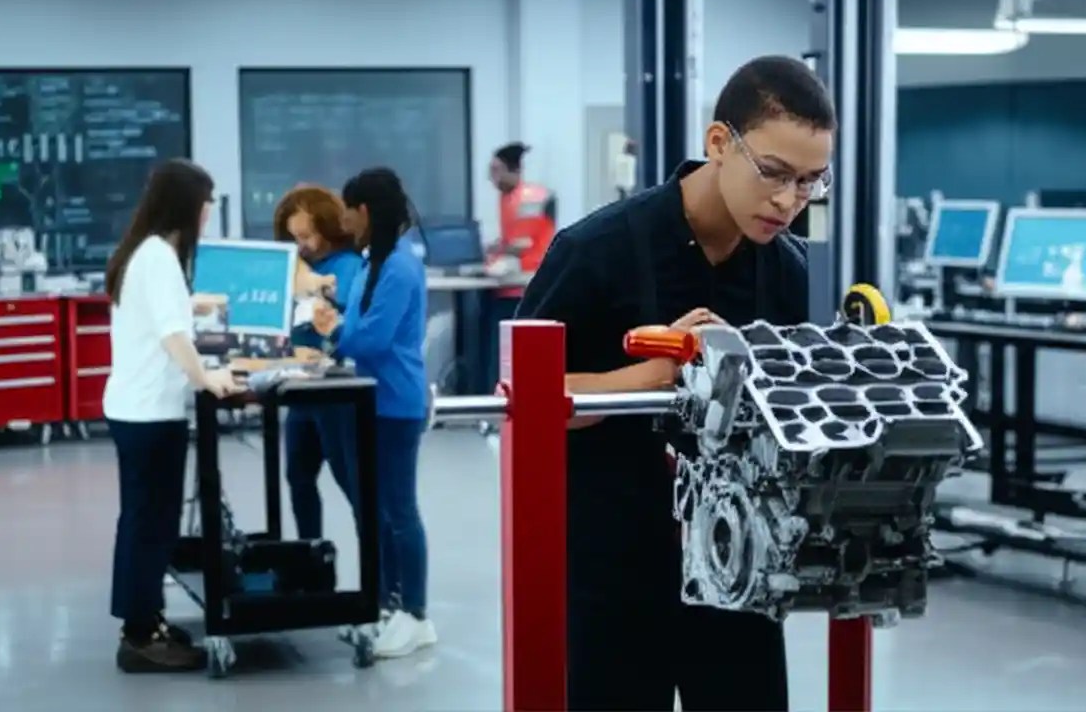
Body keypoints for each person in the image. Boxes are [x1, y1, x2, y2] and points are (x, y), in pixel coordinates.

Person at [514, 55, 835, 710]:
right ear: (719, 143)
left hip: (738, 564)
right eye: (774, 174)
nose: (787, 202)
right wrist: (656, 373)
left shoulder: (792, 272)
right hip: (616, 562)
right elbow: (528, 400)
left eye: (809, 183)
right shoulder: (595, 251)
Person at [101, 159, 244, 672]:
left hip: (137, 407)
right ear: (187, 204)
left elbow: (168, 320)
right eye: (206, 203)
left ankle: (147, 621)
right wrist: (207, 378)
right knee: (148, 523)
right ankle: (140, 635)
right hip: (147, 414)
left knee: (147, 520)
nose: (209, 212)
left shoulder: (144, 252)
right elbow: (172, 336)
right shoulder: (158, 256)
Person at [311, 167, 436, 659]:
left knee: (399, 511)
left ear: (363, 211)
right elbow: (357, 322)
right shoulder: (372, 262)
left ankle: (417, 615)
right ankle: (386, 604)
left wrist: (333, 331)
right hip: (370, 398)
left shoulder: (400, 267)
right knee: (378, 510)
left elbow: (372, 337)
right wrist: (336, 320)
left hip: (395, 404)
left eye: (347, 209)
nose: (342, 219)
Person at [273, 184, 364, 539]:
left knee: (350, 480)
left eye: (308, 235)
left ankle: (379, 571)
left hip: (336, 389)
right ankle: (309, 558)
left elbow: (340, 320)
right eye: (294, 237)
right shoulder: (298, 267)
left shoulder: (347, 266)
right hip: (301, 387)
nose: (302, 245)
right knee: (298, 475)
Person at [485, 142, 557, 389]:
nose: (491, 177)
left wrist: (499, 251)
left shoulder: (529, 199)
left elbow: (522, 243)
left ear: (512, 170)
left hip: (525, 284)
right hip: (511, 284)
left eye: (496, 170)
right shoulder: (507, 198)